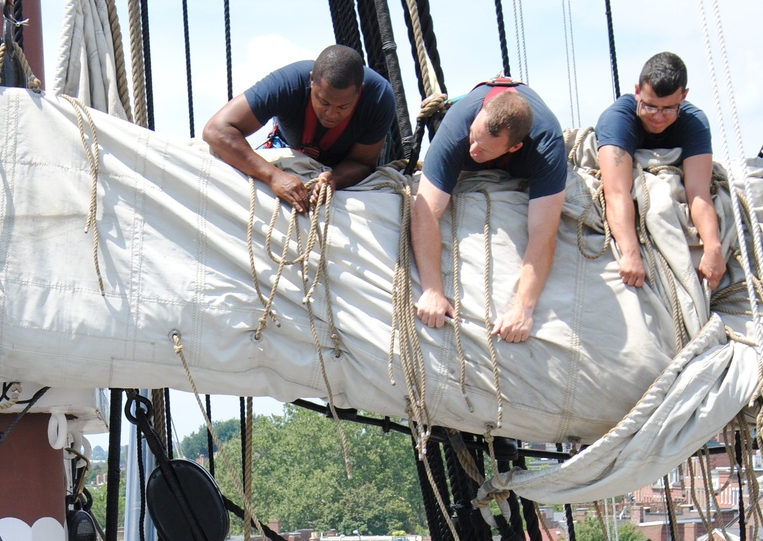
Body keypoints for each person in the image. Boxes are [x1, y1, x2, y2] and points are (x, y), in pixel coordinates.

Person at [411, 78, 568, 343]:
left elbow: (543, 236)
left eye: (482, 148)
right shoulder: (459, 128)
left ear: (515, 147)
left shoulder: (546, 147)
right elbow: (425, 213)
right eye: (474, 138)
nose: (472, 149)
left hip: (526, 159)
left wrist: (523, 310)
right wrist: (432, 290)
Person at [202, 44, 396, 215]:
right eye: (324, 102)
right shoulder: (288, 84)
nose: (331, 114)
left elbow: (362, 162)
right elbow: (216, 130)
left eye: (343, 107)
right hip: (289, 145)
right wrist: (273, 176)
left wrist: (334, 180)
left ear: (359, 91)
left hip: (343, 164)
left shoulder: (379, 99)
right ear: (311, 80)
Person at [595, 51, 724, 292]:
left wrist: (713, 247)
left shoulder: (693, 123)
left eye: (668, 109)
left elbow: (698, 193)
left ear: (684, 97)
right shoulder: (617, 120)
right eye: (650, 106)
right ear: (637, 91)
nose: (657, 117)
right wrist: (630, 253)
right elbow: (616, 191)